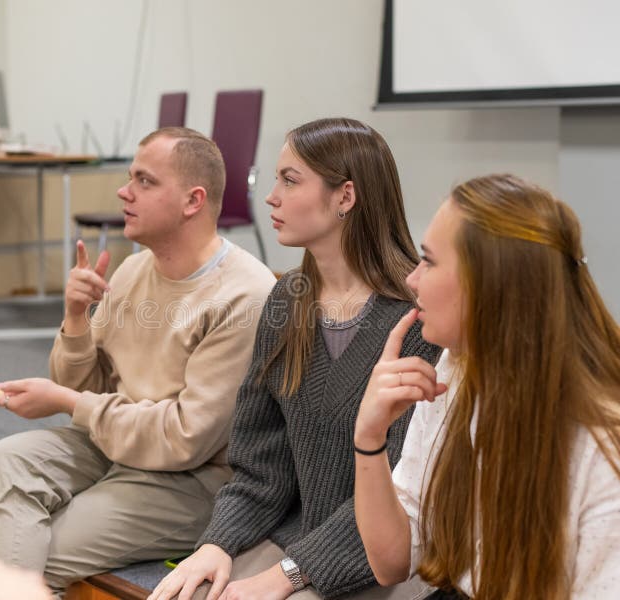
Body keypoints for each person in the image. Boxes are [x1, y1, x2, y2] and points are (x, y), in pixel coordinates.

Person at [0, 127, 278, 596]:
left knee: (23, 557)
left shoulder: (246, 294)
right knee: (6, 459)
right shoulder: (133, 269)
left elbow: (184, 439)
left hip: (190, 479)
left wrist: (70, 403)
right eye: (131, 177)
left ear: (192, 201)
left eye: (144, 181)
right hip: (114, 443)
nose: (124, 191)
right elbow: (84, 386)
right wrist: (75, 319)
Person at [149, 118, 441, 600]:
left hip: (385, 558)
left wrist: (284, 575)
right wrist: (217, 543)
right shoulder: (287, 300)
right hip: (297, 538)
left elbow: (401, 493)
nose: (271, 197)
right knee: (193, 593)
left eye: (290, 180)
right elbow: (260, 465)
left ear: (345, 196)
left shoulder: (418, 321)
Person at [354, 174, 620, 598]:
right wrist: (369, 437)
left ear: (489, 285)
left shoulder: (609, 452)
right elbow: (392, 561)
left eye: (429, 261)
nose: (412, 279)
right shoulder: (456, 366)